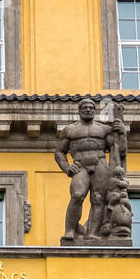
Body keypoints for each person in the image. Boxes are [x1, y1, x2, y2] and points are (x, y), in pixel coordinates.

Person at [54, 98, 127, 242]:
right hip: (80, 165)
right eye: (85, 107)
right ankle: (70, 231)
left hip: (99, 163)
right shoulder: (70, 130)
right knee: (77, 195)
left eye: (91, 108)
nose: (88, 110)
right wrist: (67, 168)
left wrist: (122, 133)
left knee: (98, 199)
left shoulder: (104, 129)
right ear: (79, 110)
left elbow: (119, 149)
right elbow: (59, 152)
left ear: (94, 111)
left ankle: (93, 233)